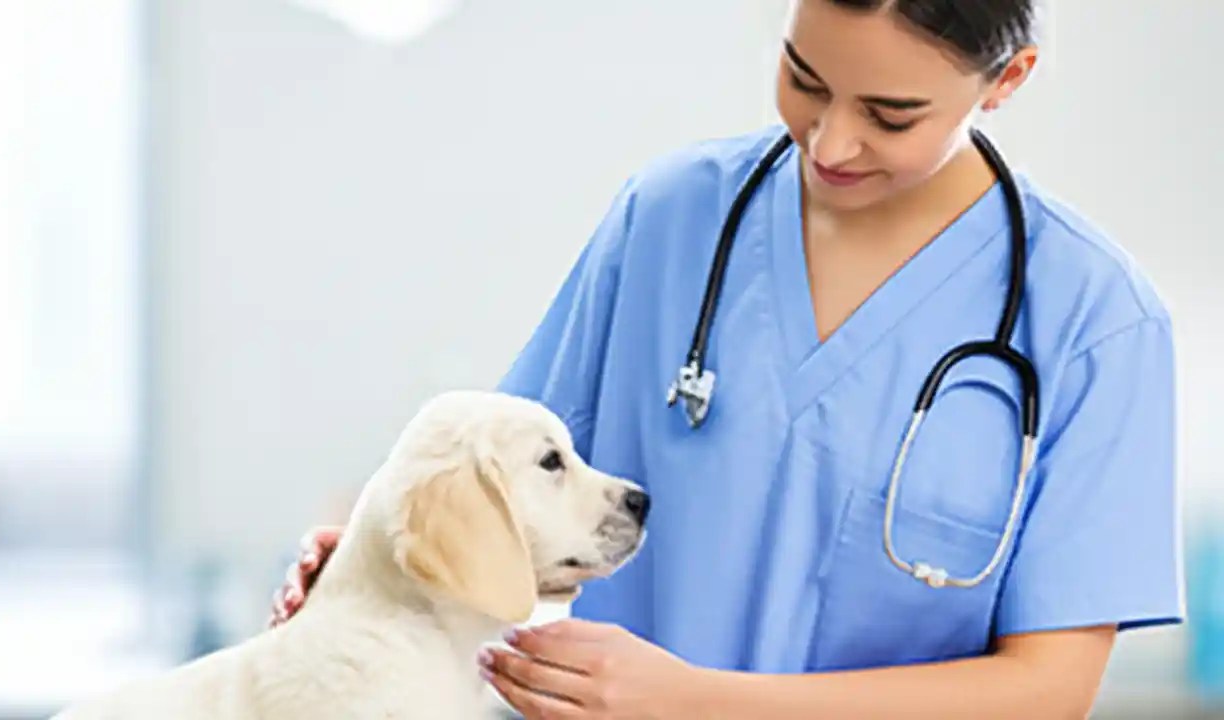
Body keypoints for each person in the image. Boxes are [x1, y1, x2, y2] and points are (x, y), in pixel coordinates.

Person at [269, 0, 1184, 716]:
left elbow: (1047, 689)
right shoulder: (671, 218)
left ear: (1006, 80)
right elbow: (503, 497)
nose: (829, 142)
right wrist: (379, 559)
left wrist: (695, 704)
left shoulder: (1092, 320)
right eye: (804, 78)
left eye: (890, 115)